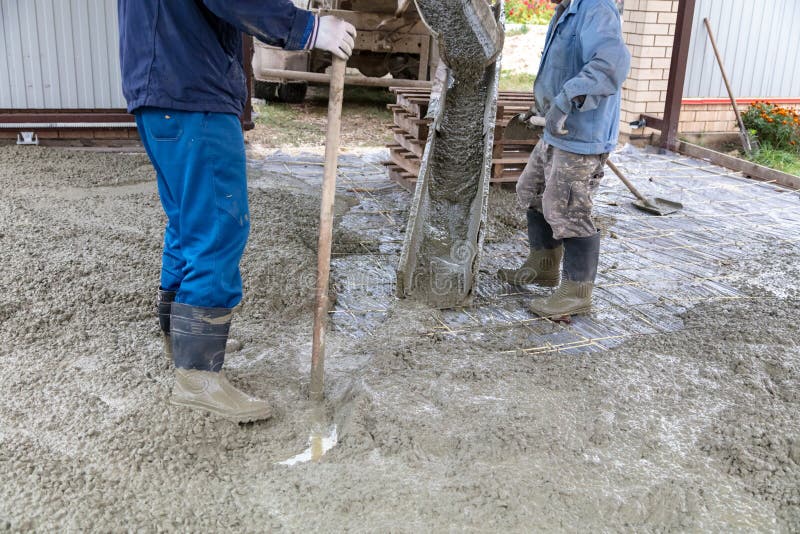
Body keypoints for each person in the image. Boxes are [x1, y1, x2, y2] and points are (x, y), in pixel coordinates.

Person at [118, 1, 356, 422]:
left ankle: (184, 342)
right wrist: (307, 28)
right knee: (217, 227)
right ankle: (197, 377)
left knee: (189, 223)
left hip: (161, 91)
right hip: (194, 91)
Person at [497, 0, 630, 318]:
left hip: (582, 134)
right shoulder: (567, 11)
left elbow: (611, 63)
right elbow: (562, 68)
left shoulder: (597, 9)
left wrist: (569, 98)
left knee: (568, 208)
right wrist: (544, 106)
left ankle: (577, 291)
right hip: (557, 131)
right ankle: (543, 264)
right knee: (532, 191)